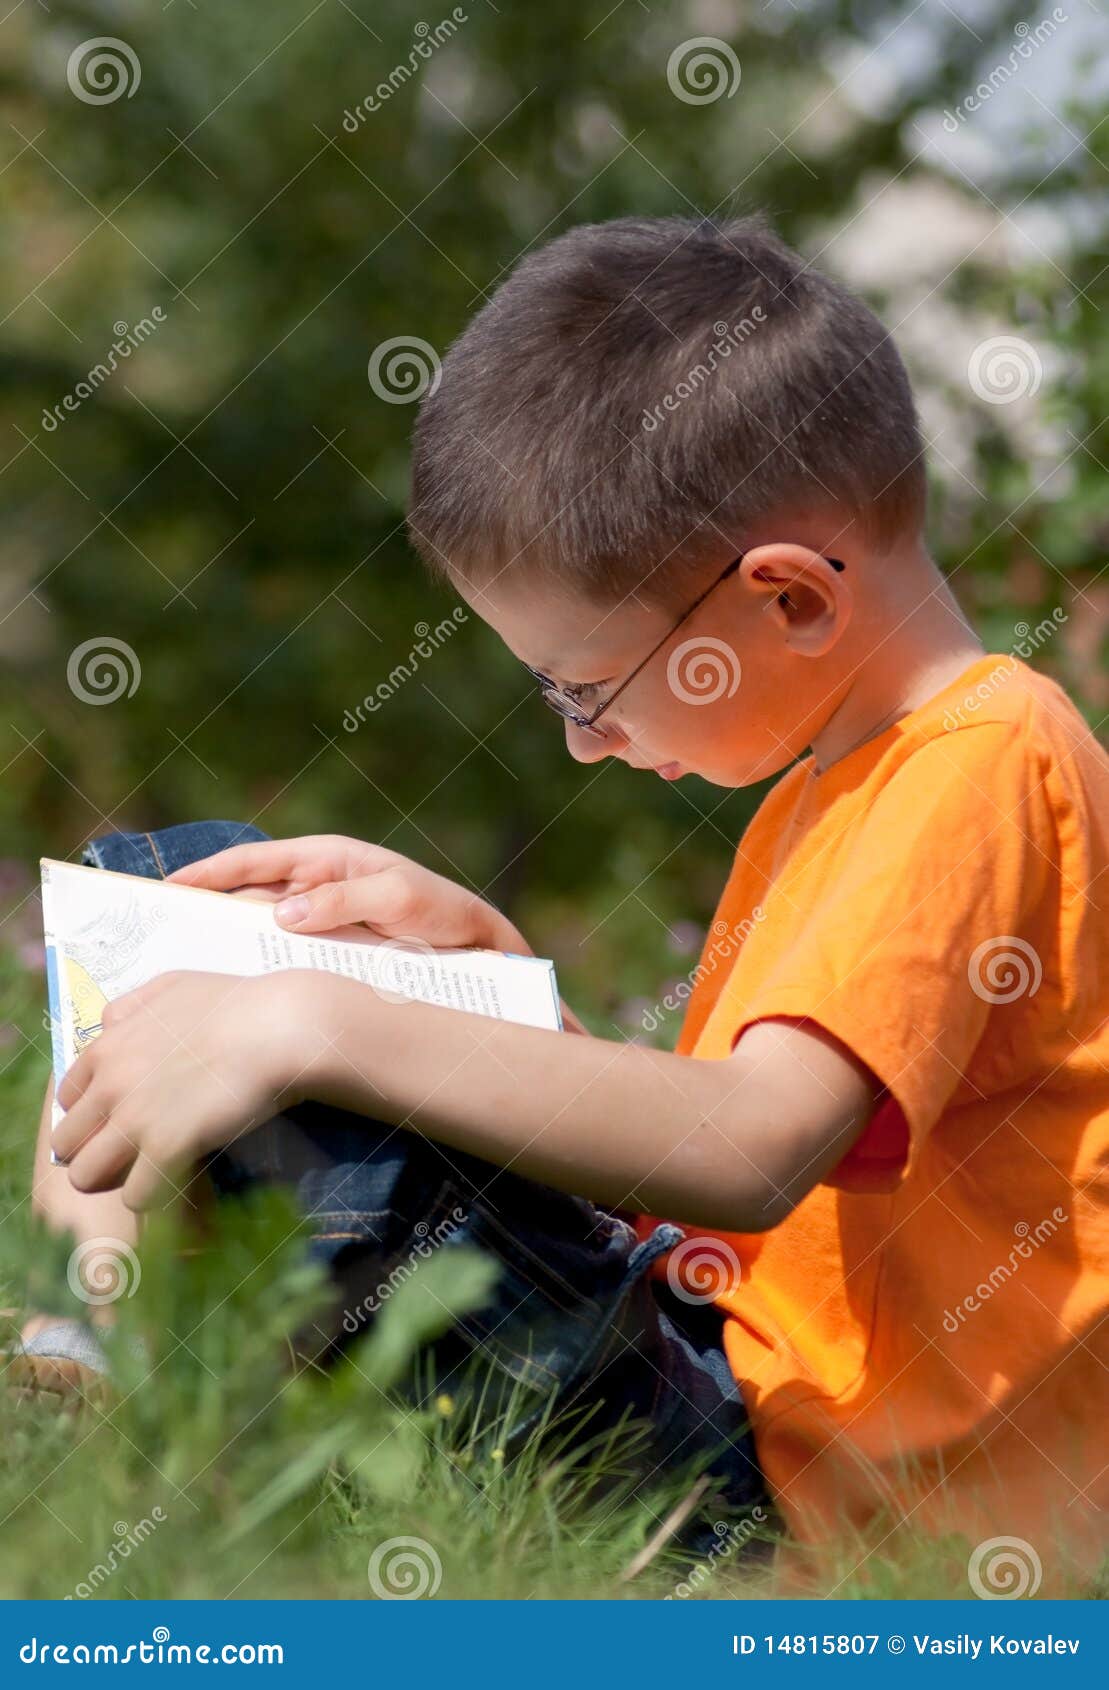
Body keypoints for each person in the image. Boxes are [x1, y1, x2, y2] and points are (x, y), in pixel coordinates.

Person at [24, 215, 1109, 1577]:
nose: (579, 741)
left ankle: (96, 1379)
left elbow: (749, 1149)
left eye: (584, 688)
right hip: (734, 1394)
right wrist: (500, 977)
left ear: (787, 601)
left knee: (277, 1027)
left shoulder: (983, 761)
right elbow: (716, 1189)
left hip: (788, 1504)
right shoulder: (837, 785)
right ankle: (80, 1355)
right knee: (191, 878)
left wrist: (330, 1021)